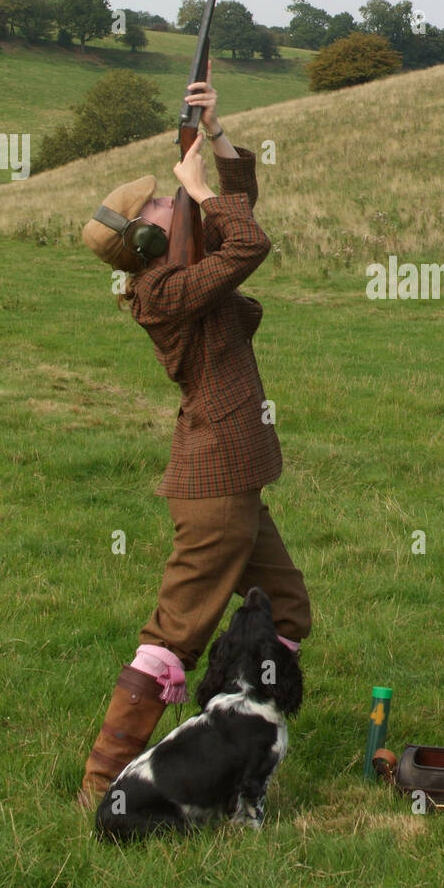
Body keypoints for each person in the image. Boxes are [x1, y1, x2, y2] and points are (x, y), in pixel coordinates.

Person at [77, 70, 311, 809]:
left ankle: (243, 738)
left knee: (286, 609)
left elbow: (236, 218)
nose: (169, 199)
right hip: (214, 487)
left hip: (236, 477)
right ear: (143, 236)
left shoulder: (181, 270)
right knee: (175, 633)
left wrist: (216, 138)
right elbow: (248, 241)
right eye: (157, 202)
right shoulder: (163, 294)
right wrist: (201, 188)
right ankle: (99, 789)